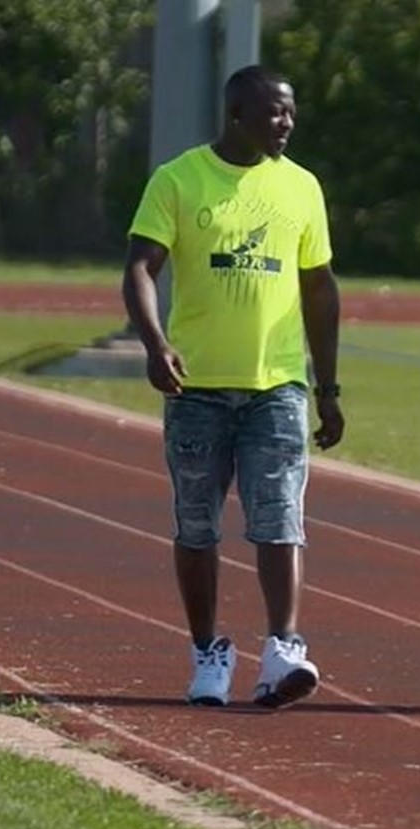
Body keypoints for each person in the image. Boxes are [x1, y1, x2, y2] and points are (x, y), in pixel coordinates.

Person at [122, 64, 342, 710]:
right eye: (275, 112)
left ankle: (283, 649)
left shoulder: (301, 187)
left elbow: (319, 288)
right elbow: (140, 266)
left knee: (280, 518)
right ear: (237, 114)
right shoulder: (180, 179)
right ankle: (208, 651)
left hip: (277, 385)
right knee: (197, 527)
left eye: (291, 112)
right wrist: (155, 343)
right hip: (198, 388)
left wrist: (328, 387)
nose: (287, 123)